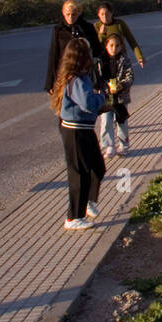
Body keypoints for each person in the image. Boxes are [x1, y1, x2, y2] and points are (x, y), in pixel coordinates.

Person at [50, 39, 109, 230]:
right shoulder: (76, 79)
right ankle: (73, 217)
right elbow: (88, 103)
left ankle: (90, 202)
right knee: (79, 174)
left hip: (84, 129)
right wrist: (103, 96)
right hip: (75, 131)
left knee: (97, 167)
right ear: (81, 57)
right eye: (88, 53)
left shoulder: (79, 77)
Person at [44, 0, 104, 94]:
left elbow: (97, 52)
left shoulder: (87, 28)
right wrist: (50, 83)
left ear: (79, 13)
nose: (70, 17)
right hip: (65, 72)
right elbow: (53, 55)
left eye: (74, 14)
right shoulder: (59, 30)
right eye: (68, 14)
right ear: (63, 13)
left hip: (85, 72)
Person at [97, 33, 135, 157]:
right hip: (105, 97)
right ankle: (109, 146)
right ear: (106, 45)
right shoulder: (100, 61)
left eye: (117, 45)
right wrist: (104, 87)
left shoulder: (124, 60)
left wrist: (122, 85)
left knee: (121, 120)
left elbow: (130, 76)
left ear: (121, 46)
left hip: (120, 96)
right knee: (106, 121)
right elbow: (97, 78)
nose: (114, 48)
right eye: (111, 45)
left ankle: (123, 145)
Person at [94, 1, 146, 69]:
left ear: (111, 13)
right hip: (104, 60)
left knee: (125, 78)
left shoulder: (119, 24)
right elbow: (95, 46)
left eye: (107, 13)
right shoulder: (96, 26)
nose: (105, 16)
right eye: (102, 14)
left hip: (121, 59)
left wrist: (139, 56)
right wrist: (101, 34)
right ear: (98, 15)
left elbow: (131, 40)